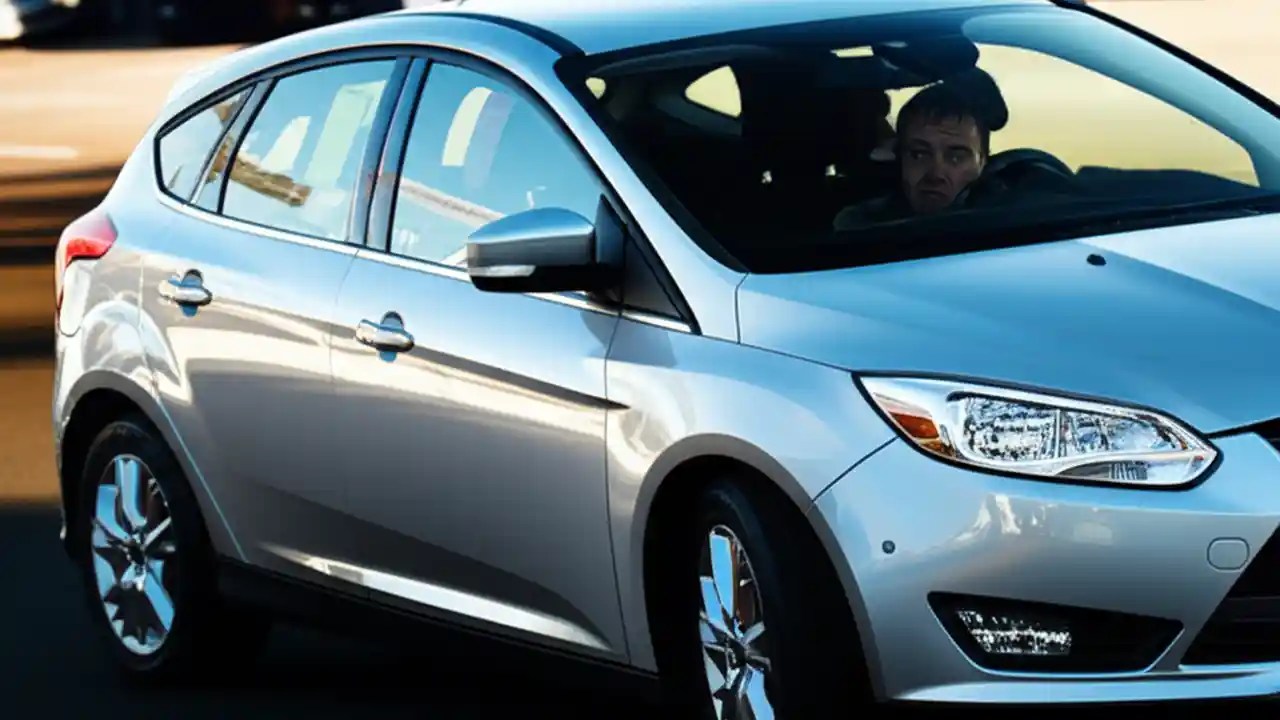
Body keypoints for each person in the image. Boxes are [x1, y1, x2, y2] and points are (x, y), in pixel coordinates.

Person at [834, 79, 994, 228]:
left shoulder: (1005, 220)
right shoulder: (861, 224)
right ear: (900, 159)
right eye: (919, 155)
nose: (936, 175)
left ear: (983, 161)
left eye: (956, 157)